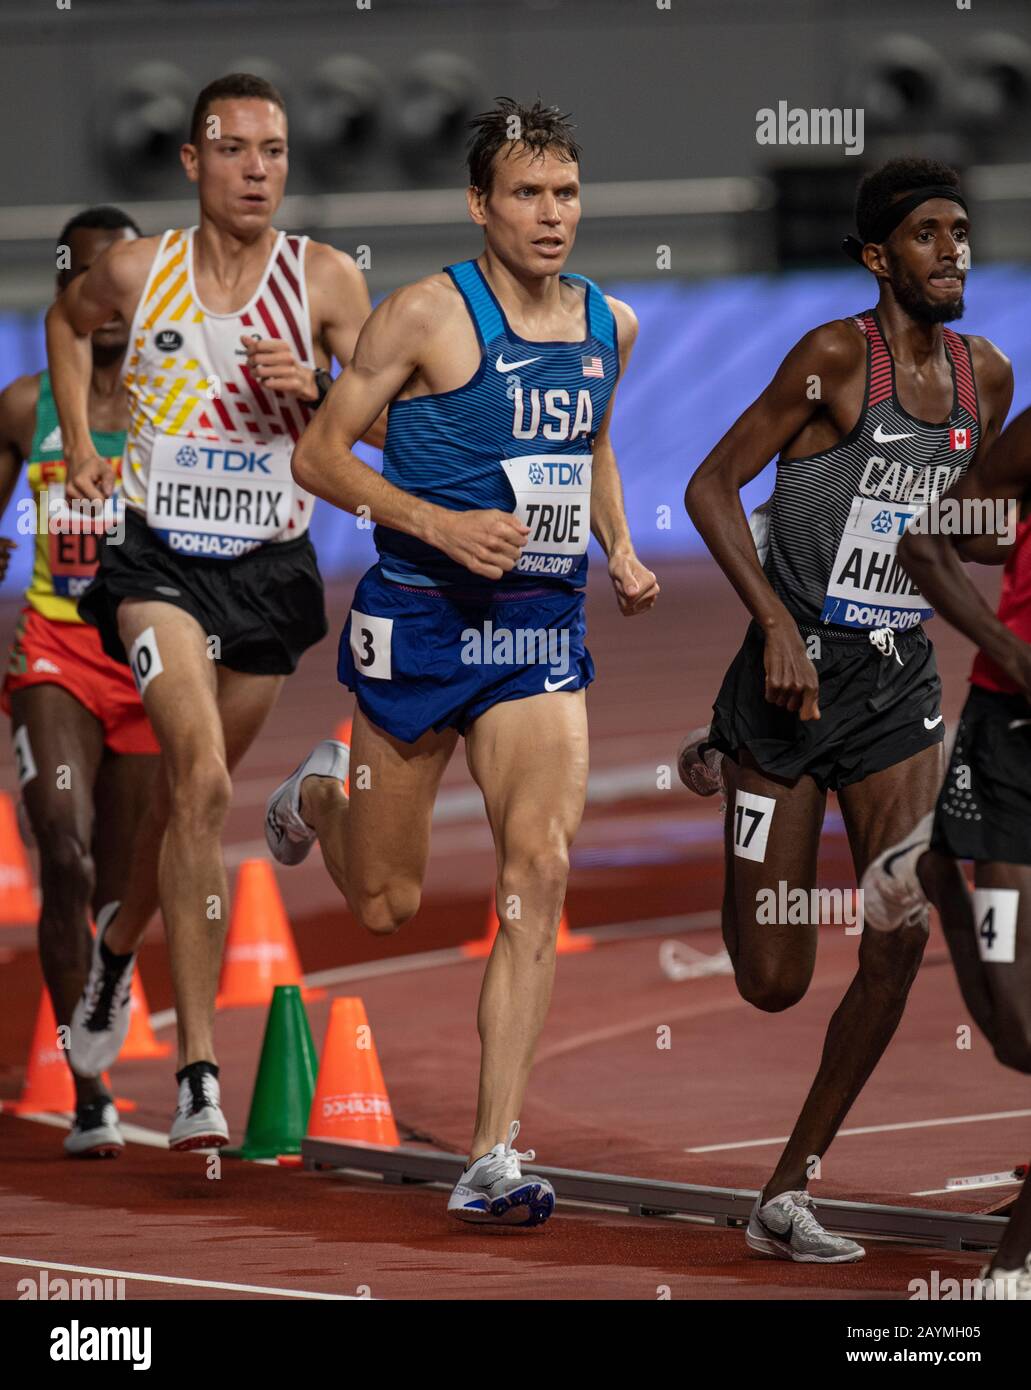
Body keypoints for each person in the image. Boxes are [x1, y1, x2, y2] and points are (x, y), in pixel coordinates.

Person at [265, 97, 658, 1225]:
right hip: (422, 619)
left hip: (536, 634)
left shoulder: (608, 323)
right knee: (384, 905)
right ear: (479, 204)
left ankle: (490, 1155)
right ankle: (316, 796)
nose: (550, 215)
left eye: (565, 193)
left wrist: (619, 548)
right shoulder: (422, 316)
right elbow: (318, 454)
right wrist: (437, 525)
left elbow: (585, 445)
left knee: (538, 868)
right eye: (526, 194)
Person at [681, 158, 1013, 1261]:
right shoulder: (833, 359)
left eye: (959, 231)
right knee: (770, 978)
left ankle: (786, 1191)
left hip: (894, 685)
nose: (950, 250)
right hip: (785, 681)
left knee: (895, 934)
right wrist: (774, 624)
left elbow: (963, 532)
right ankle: (726, 754)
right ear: (879, 257)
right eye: (925, 234)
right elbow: (709, 487)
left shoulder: (987, 379)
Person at [46, 73, 380, 1151]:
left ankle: (112, 950)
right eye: (234, 150)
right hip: (158, 566)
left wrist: (315, 395)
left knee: (189, 809)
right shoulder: (139, 273)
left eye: (274, 151)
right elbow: (63, 317)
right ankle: (198, 1071)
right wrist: (89, 449)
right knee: (193, 780)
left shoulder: (324, 283)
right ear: (192, 162)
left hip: (270, 571)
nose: (257, 170)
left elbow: (381, 435)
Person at [0, 206, 160, 1158]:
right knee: (63, 855)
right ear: (66, 290)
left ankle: (106, 979)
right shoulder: (26, 407)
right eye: (89, 280)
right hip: (54, 654)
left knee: (118, 883)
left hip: (145, 660)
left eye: (123, 278)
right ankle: (88, 1085)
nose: (106, 300)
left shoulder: (172, 405)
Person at [862, 403, 1031, 1298]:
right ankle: (931, 868)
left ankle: (1013, 1266)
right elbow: (928, 544)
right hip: (1014, 743)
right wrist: (1010, 647)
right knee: (1015, 1035)